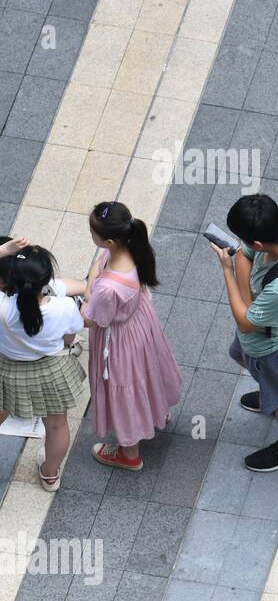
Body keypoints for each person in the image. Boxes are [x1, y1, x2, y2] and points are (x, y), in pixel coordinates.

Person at [81, 201, 183, 471]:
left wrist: (87, 289)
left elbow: (91, 319)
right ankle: (154, 411)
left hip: (118, 342)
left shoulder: (107, 287)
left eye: (93, 232)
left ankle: (129, 453)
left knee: (123, 388)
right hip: (139, 326)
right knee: (146, 375)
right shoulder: (135, 250)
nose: (91, 235)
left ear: (110, 241)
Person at [216, 195, 278, 472]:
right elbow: (247, 257)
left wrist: (228, 270)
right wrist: (244, 268)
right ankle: (271, 393)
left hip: (270, 344)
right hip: (266, 331)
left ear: (258, 243)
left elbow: (247, 322)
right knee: (239, 355)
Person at [0, 244, 86, 491]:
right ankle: (50, 475)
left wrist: (3, 250)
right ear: (47, 278)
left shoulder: (3, 308)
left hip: (6, 371)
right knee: (57, 426)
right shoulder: (65, 307)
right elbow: (71, 334)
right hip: (50, 373)